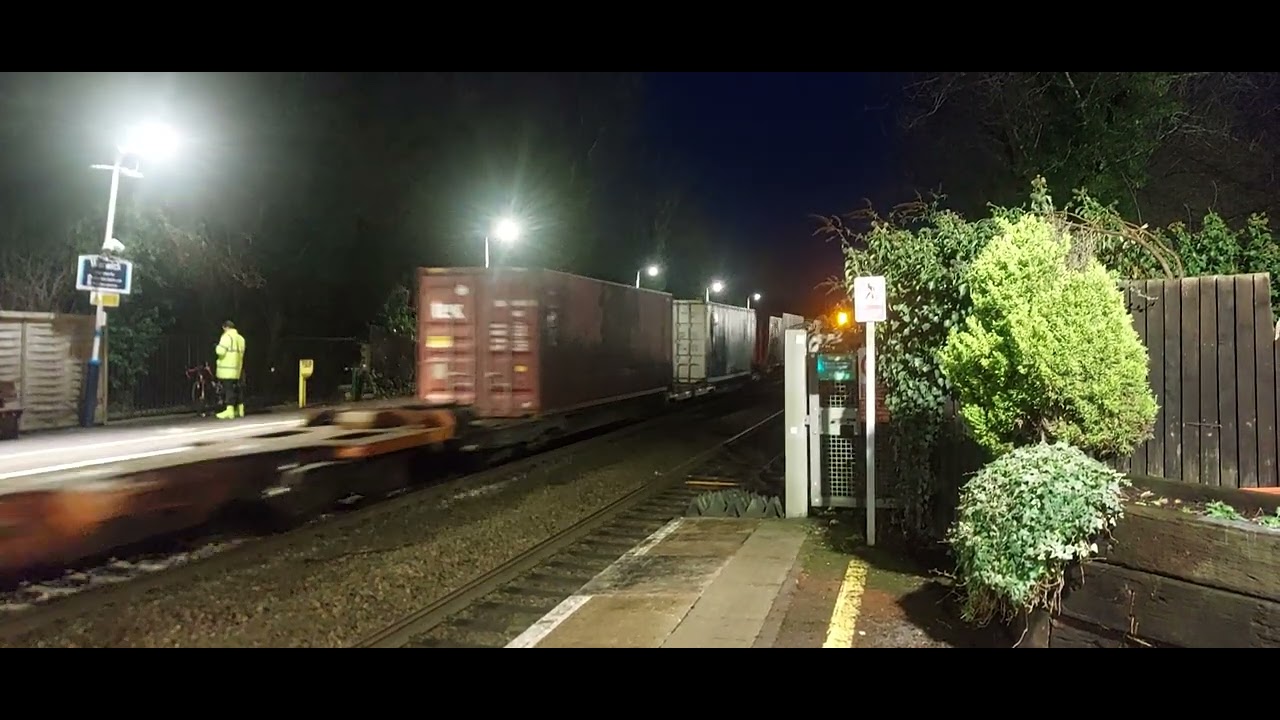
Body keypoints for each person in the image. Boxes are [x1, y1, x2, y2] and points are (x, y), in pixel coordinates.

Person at [214, 320, 247, 419]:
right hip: (238, 368)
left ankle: (230, 411)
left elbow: (220, 352)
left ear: (225, 327)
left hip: (227, 369)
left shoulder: (226, 337)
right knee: (238, 389)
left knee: (228, 389)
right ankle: (240, 410)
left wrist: (216, 347)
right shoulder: (241, 339)